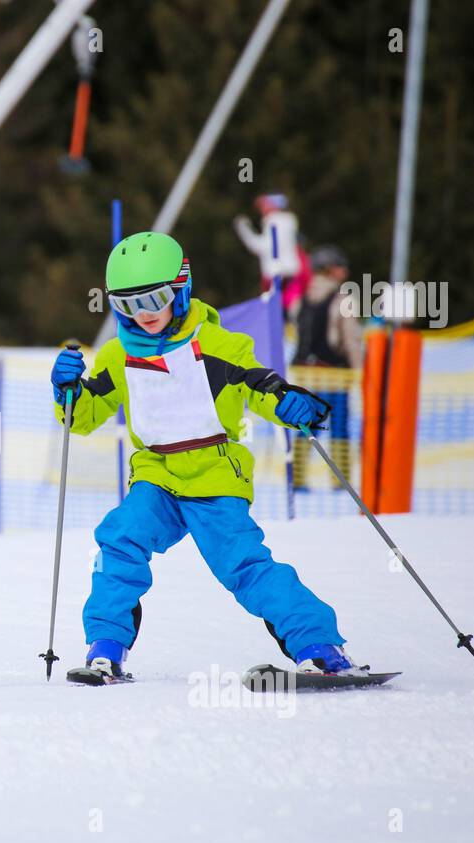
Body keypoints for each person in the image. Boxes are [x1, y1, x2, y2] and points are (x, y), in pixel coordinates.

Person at [50, 231, 364, 684]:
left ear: (181, 288)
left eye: (155, 298)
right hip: (156, 476)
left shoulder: (219, 345)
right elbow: (80, 418)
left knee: (243, 565)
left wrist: (292, 403)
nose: (145, 314)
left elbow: (261, 387)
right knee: (120, 540)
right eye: (128, 305)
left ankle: (319, 647)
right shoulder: (119, 355)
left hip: (215, 475)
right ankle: (106, 648)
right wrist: (67, 391)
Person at [291, 245, 362, 488]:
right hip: (333, 373)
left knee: (307, 424)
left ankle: (297, 476)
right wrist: (358, 369)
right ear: (330, 269)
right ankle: (340, 480)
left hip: (305, 373)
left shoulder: (302, 299)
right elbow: (351, 339)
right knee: (339, 424)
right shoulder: (343, 300)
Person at [233, 192, 311, 318]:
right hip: (289, 276)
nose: (261, 209)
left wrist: (243, 230)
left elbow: (261, 247)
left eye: (264, 205)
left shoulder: (273, 222)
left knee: (282, 318)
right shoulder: (286, 222)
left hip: (278, 278)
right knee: (292, 315)